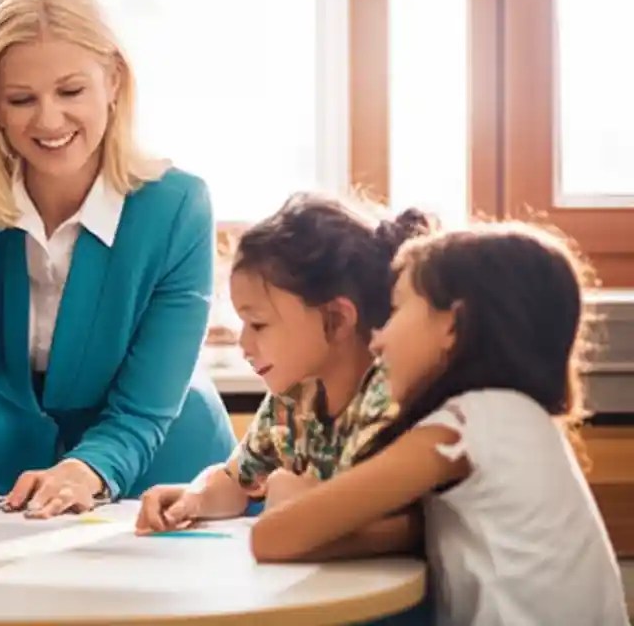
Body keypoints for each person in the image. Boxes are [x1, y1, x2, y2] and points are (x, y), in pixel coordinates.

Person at [0, 0, 236, 519]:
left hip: (164, 472)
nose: (49, 120)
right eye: (21, 99)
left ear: (112, 81)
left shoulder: (180, 207)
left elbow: (144, 405)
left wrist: (89, 469)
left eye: (70, 91)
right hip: (14, 480)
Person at [249, 223, 627, 624]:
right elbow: (412, 532)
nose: (378, 339)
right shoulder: (514, 418)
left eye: (396, 309)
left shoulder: (467, 423)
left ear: (452, 325)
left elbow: (270, 537)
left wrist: (286, 491)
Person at [137, 193, 432, 537]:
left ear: (336, 320)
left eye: (258, 324)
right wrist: (195, 497)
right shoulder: (293, 398)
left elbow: (404, 526)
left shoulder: (391, 394)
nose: (243, 344)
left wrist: (297, 502)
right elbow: (237, 481)